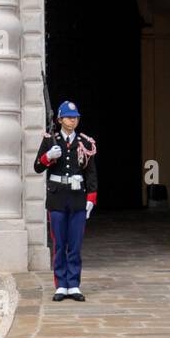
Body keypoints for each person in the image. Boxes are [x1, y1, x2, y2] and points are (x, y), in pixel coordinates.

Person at [34, 100, 98, 301]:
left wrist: (91, 199)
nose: (73, 120)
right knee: (60, 243)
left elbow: (91, 174)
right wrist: (48, 157)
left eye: (76, 117)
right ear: (60, 119)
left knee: (75, 244)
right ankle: (61, 284)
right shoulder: (50, 140)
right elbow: (37, 167)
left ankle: (74, 284)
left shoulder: (85, 143)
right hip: (57, 198)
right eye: (69, 117)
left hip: (78, 197)